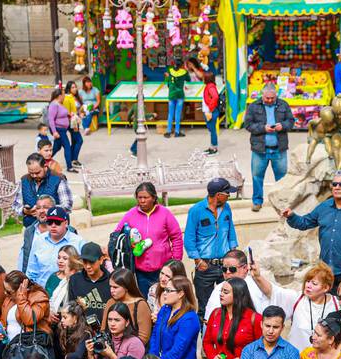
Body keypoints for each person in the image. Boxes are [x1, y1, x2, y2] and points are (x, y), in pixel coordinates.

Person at [282, 169, 341, 286]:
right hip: (325, 272)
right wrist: (291, 216)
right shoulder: (324, 207)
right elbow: (304, 223)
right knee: (325, 303)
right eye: (334, 184)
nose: (337, 187)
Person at [116, 183, 184, 296]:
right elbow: (117, 233)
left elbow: (176, 237)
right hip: (141, 271)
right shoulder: (131, 214)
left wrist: (175, 262)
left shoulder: (165, 213)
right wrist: (129, 242)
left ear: (153, 197)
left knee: (165, 298)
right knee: (147, 300)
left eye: (145, 197)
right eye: (139, 197)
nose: (142, 201)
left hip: (164, 270)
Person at [184, 179, 238, 311]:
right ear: (218, 195)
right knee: (205, 307)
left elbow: (231, 230)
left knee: (229, 305)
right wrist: (198, 261)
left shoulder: (227, 208)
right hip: (205, 266)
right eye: (227, 193)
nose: (229, 196)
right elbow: (189, 238)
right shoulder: (196, 210)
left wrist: (233, 253)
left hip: (225, 266)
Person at [243, 84, 296, 212]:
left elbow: (291, 121)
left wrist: (282, 126)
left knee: (282, 178)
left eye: (272, 98)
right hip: (259, 150)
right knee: (257, 177)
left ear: (276, 95)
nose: (270, 100)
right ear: (263, 95)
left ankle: (281, 202)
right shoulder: (253, 106)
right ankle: (257, 202)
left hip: (279, 149)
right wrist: (263, 128)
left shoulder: (283, 105)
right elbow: (248, 125)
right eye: (267, 98)